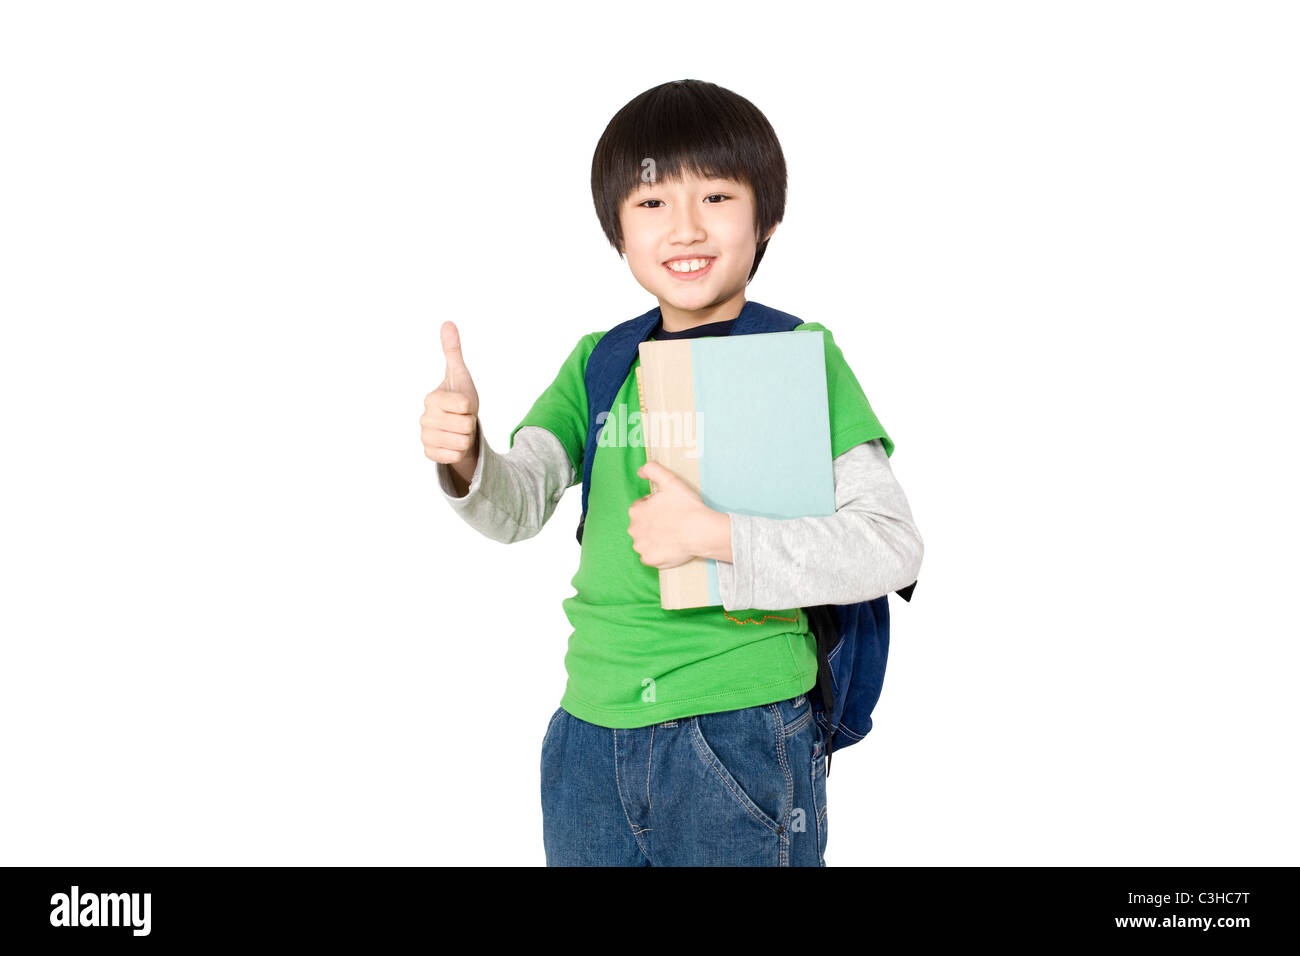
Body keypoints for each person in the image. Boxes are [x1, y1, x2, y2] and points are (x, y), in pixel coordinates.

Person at [420, 79, 924, 866]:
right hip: (588, 732)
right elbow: (516, 506)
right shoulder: (600, 361)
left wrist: (716, 536)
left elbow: (891, 544)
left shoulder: (799, 357)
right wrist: (466, 459)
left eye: (717, 195)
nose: (684, 227)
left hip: (742, 727)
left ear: (768, 219)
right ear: (616, 230)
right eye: (652, 202)